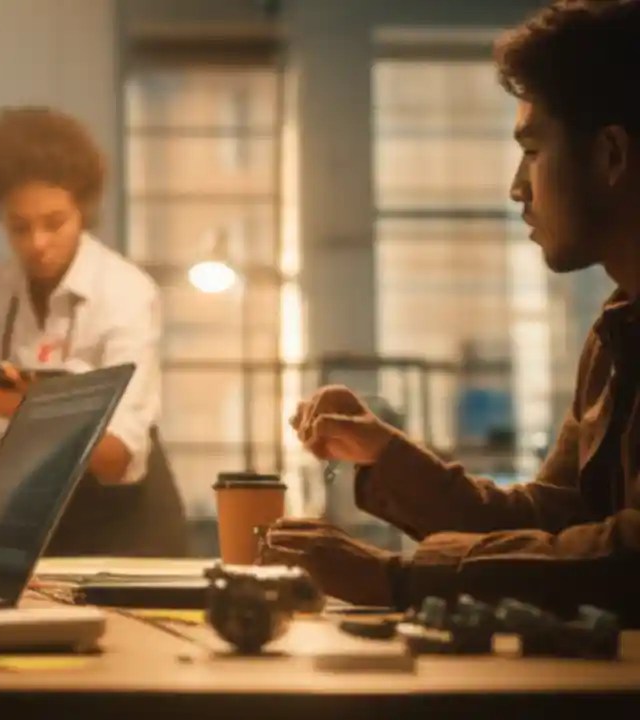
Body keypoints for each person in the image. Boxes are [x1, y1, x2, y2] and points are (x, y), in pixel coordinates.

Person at [266, 0, 640, 623]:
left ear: (610, 156)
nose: (517, 186)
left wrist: (402, 578)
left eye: (533, 149)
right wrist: (383, 455)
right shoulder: (616, 329)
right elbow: (551, 518)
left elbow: (628, 556)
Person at [0, 106, 188, 556]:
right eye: (19, 227)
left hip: (129, 529)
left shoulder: (126, 293)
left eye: (55, 223)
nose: (37, 243)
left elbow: (118, 458)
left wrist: (5, 402)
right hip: (42, 523)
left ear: (84, 210)